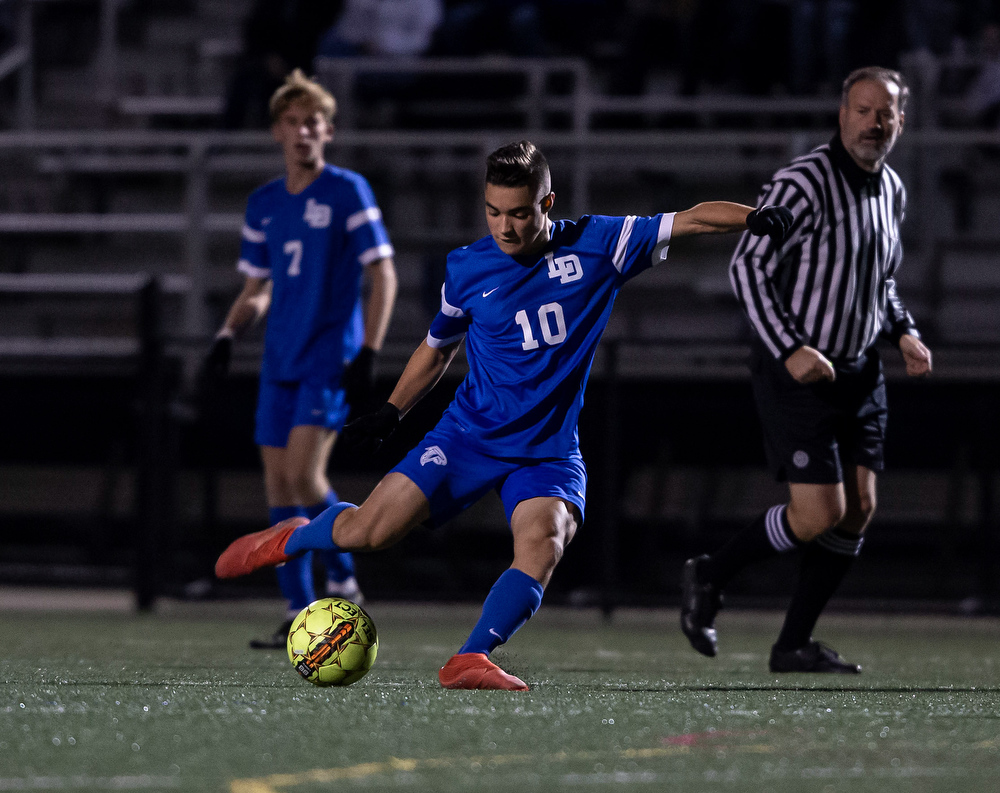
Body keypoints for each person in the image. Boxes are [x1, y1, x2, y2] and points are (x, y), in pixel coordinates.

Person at [215, 140, 792, 689]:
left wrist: (756, 218)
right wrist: (393, 409)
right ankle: (297, 535)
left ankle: (470, 656)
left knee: (546, 541)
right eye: (493, 212)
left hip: (547, 449)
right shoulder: (467, 267)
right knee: (369, 533)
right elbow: (438, 346)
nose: (505, 227)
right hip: (467, 436)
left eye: (518, 213)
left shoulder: (600, 244)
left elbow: (690, 218)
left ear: (547, 203)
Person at [681, 66, 933, 674]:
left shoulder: (893, 188)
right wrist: (791, 347)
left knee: (860, 508)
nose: (875, 122)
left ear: (902, 120)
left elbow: (881, 278)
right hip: (795, 371)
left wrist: (904, 332)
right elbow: (749, 267)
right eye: (863, 109)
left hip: (860, 369)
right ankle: (713, 572)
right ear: (842, 114)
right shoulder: (804, 183)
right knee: (818, 513)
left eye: (886, 113)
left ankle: (793, 643)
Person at [205, 69, 398, 648]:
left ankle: (344, 573)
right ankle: (302, 611)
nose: (302, 132)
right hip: (279, 357)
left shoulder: (346, 191)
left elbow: (382, 272)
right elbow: (258, 287)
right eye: (292, 123)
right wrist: (226, 334)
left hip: (327, 355)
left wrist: (369, 351)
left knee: (303, 474)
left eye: (312, 122)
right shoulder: (264, 203)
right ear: (276, 133)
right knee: (277, 483)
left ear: (328, 132)